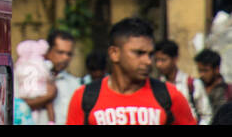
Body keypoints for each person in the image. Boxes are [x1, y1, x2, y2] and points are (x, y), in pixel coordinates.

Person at [66, 18, 197, 125]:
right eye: (139, 53)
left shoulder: (170, 96)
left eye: (150, 54)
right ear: (114, 53)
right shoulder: (85, 98)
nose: (148, 61)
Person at [154, 38, 212, 124]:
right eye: (156, 60)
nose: (159, 65)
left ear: (175, 59)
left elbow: (206, 115)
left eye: (163, 60)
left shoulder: (192, 84)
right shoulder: (157, 85)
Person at [194, 48, 228, 117]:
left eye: (205, 70)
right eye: (200, 71)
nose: (202, 74)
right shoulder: (195, 86)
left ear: (216, 69)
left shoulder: (226, 91)